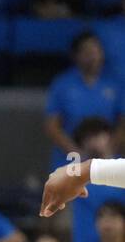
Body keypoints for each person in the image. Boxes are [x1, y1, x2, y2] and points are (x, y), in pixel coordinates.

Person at [45, 33, 120, 175]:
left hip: (107, 157)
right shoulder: (62, 84)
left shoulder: (115, 84)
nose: (93, 56)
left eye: (96, 51)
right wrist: (76, 152)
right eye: (87, 52)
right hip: (70, 159)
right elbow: (52, 125)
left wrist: (109, 149)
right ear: (76, 56)